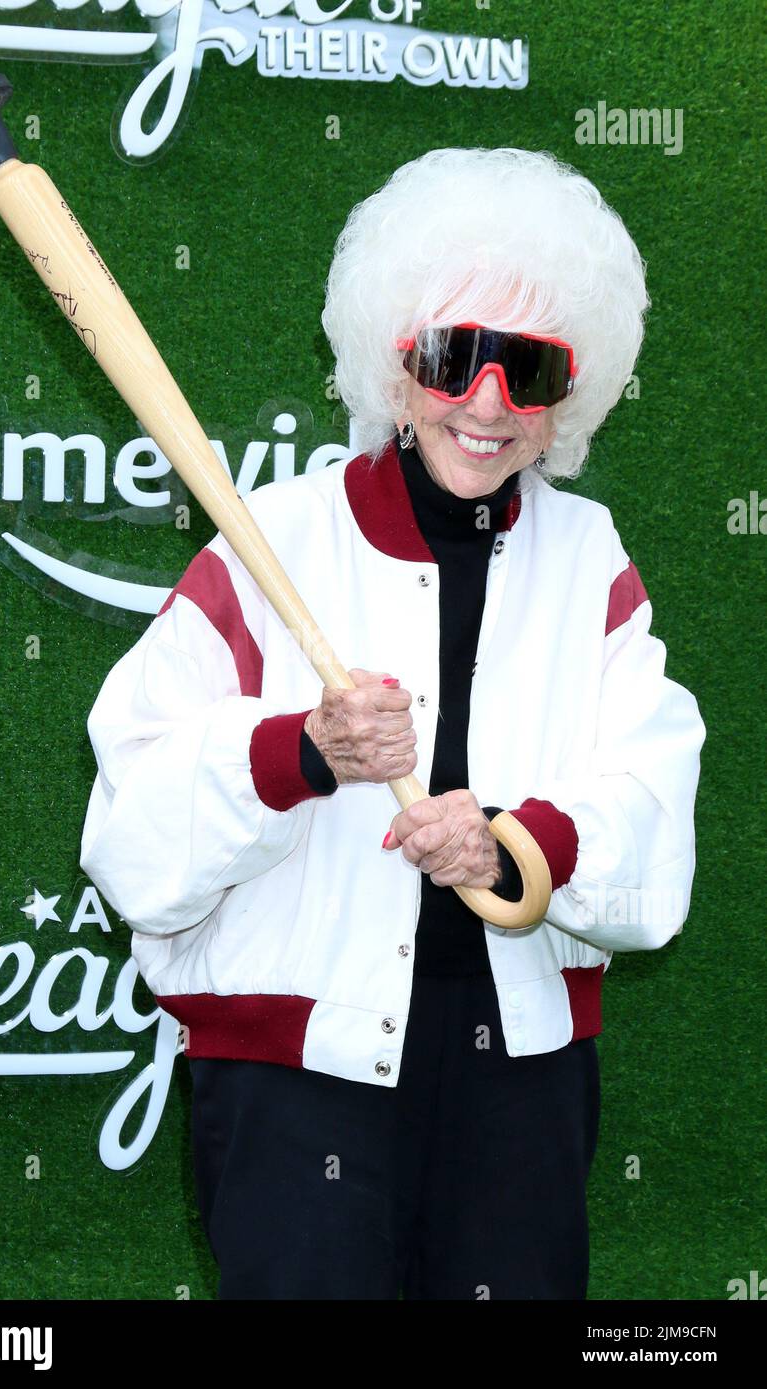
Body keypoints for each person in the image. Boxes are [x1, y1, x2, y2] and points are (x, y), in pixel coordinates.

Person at [79, 147, 706, 1300]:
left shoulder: (591, 560)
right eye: (453, 357)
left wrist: (514, 843)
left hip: (518, 1081)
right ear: (393, 359)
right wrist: (297, 753)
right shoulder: (271, 546)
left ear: (575, 390)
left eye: (530, 369)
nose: (486, 402)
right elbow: (130, 839)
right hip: (297, 1082)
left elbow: (650, 808)